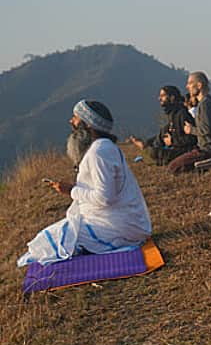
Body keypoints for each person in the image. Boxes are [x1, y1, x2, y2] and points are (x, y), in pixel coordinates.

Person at [19, 101, 151, 266]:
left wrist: (71, 191)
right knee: (46, 239)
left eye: (75, 118)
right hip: (113, 220)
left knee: (45, 244)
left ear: (88, 124)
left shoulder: (99, 152)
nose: (71, 122)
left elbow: (105, 198)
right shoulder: (101, 148)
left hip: (119, 225)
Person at [167, 71, 211, 173]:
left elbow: (207, 130)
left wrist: (191, 130)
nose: (187, 86)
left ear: (199, 85)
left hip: (209, 150)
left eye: (190, 83)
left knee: (173, 168)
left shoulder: (205, 104)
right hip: (207, 148)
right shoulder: (204, 103)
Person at [130, 85, 196, 166]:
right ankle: (146, 148)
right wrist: (148, 142)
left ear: (172, 98)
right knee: (154, 147)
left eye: (163, 96)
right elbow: (164, 133)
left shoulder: (182, 114)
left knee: (155, 152)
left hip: (183, 150)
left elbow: (193, 139)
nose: (159, 98)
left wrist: (173, 141)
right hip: (174, 147)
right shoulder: (173, 114)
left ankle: (148, 154)